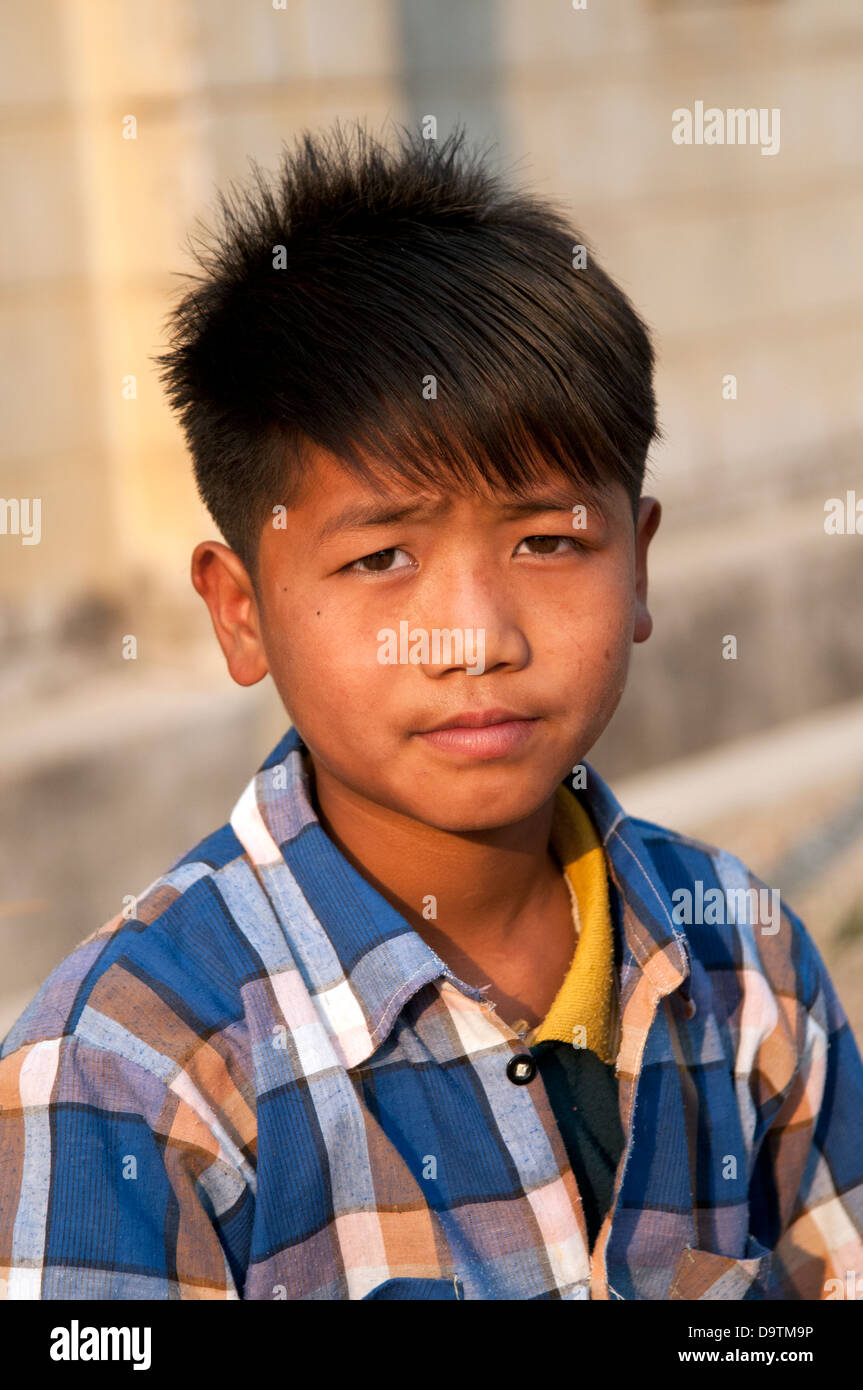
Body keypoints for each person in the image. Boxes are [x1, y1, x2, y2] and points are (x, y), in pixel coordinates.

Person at [1, 121, 861, 1301]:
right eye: (381, 559)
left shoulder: (745, 961)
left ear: (641, 567)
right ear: (240, 608)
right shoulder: (131, 1074)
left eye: (548, 541)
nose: (476, 639)